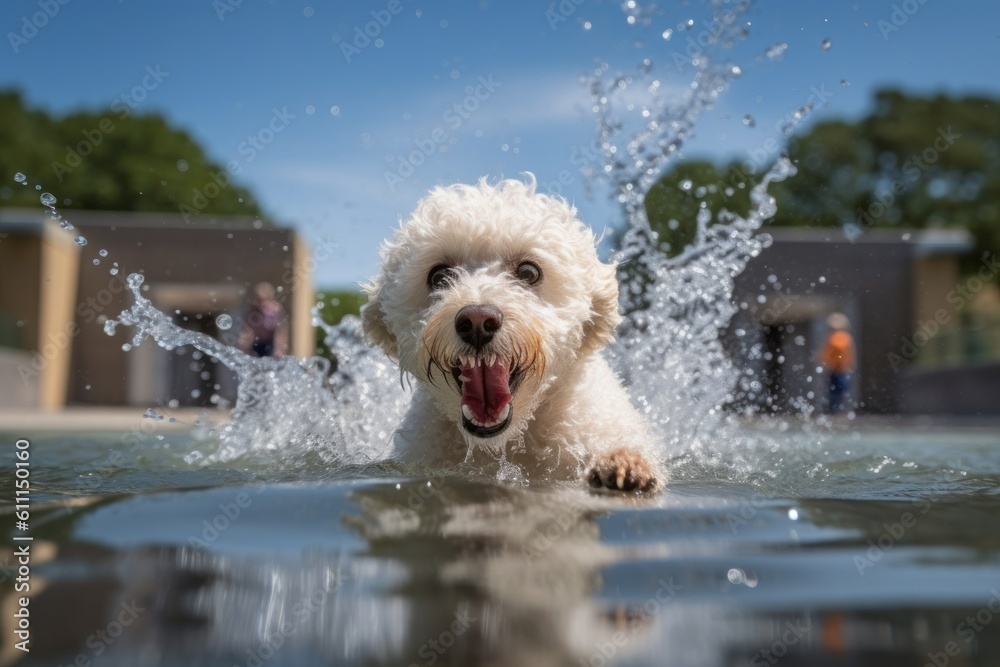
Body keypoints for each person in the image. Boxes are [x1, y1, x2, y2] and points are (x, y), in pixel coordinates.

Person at [238, 282, 289, 358]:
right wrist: (244, 345)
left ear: (270, 298)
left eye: (265, 299)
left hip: (270, 343)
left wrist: (279, 349)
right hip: (256, 343)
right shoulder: (253, 310)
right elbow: (247, 329)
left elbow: (281, 331)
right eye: (259, 300)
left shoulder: (276, 310)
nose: (262, 303)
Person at [818, 312, 856, 413]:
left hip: (841, 370)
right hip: (837, 370)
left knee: (838, 392)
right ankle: (834, 411)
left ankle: (835, 411)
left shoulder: (841, 338)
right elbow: (826, 354)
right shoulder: (835, 338)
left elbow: (848, 354)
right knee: (836, 392)